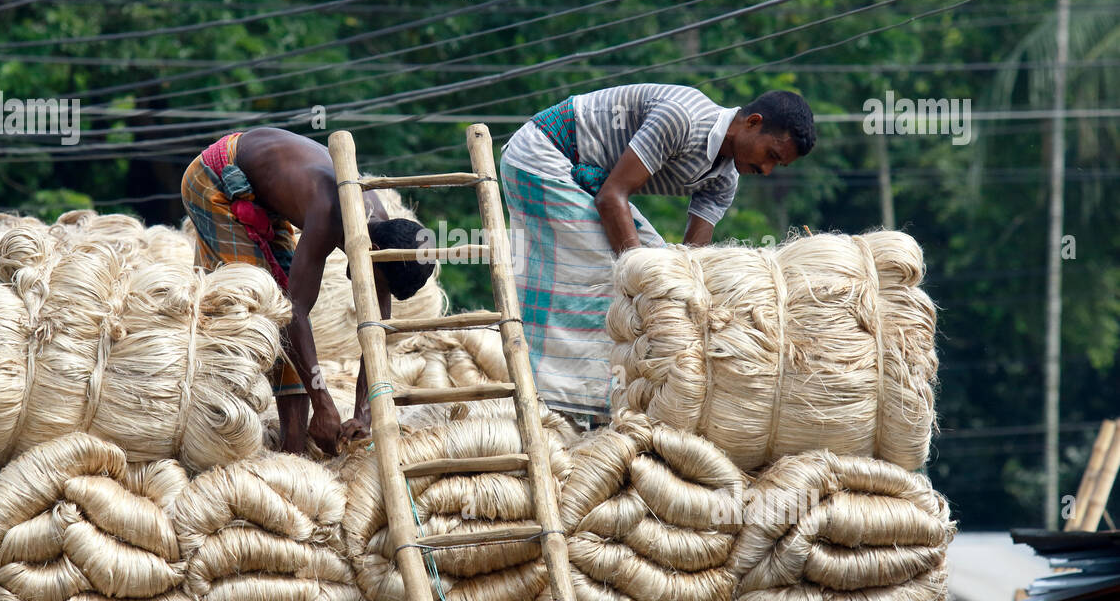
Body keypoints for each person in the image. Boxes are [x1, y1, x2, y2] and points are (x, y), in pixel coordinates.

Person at [499, 84, 816, 418]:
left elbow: (690, 262)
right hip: (542, 153)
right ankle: (559, 405)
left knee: (660, 263)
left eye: (776, 166)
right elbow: (611, 198)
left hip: (590, 179)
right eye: (771, 156)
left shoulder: (724, 180)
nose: (766, 170)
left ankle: (609, 395)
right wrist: (641, 286)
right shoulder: (682, 118)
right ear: (752, 122)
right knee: (601, 275)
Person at [180, 126, 435, 456]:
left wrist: (362, 416)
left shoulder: (384, 246)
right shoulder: (330, 213)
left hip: (264, 196)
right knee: (262, 309)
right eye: (376, 282)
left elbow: (376, 337)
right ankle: (213, 419)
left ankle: (294, 453)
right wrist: (323, 401)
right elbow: (293, 313)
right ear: (371, 249)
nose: (370, 288)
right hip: (217, 178)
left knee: (289, 324)